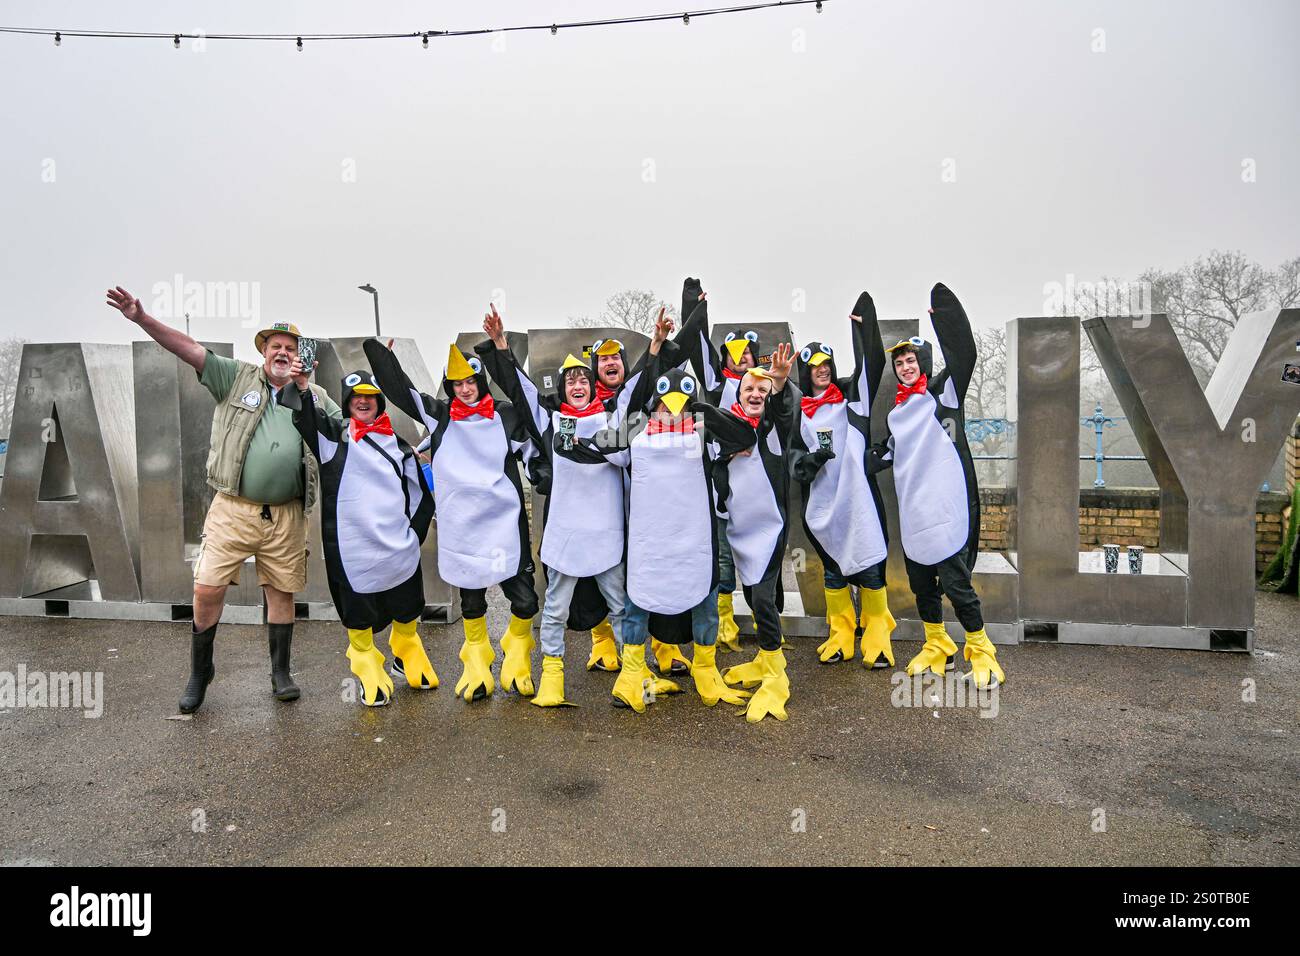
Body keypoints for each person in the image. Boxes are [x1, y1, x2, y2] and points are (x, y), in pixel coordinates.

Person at [106, 286, 341, 714]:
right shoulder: (235, 378)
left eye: (290, 347)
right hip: (233, 507)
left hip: (287, 514)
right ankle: (200, 672)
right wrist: (142, 318)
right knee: (207, 586)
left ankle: (280, 673)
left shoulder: (316, 394)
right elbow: (190, 349)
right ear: (264, 352)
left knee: (281, 592)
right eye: (275, 346)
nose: (283, 352)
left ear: (301, 354)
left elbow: (345, 431)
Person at [557, 311, 754, 712]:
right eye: (666, 402)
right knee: (637, 603)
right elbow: (599, 443)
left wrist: (700, 408)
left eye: (680, 404)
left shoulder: (701, 431)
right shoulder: (637, 429)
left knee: (704, 598)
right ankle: (631, 675)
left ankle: (706, 670)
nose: (672, 410)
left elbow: (743, 434)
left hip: (693, 544)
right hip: (648, 544)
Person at [362, 338, 545, 702]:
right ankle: (476, 657)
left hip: (504, 523)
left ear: (481, 382)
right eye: (457, 384)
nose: (465, 389)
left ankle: (518, 643)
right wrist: (382, 356)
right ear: (450, 387)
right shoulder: (440, 415)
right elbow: (403, 392)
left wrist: (542, 472)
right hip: (463, 527)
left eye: (471, 382)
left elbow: (532, 447)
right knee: (472, 601)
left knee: (524, 600)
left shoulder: (505, 414)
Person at [477, 305, 642, 707]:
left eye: (583, 378)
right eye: (570, 381)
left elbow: (641, 390)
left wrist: (654, 347)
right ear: (563, 389)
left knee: (620, 607)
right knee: (553, 611)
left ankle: (633, 674)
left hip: (605, 536)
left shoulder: (611, 417)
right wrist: (501, 345)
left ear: (593, 384)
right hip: (565, 535)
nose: (577, 384)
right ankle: (552, 675)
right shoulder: (550, 421)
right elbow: (519, 389)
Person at [280, 369, 435, 706]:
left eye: (370, 395)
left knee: (408, 604)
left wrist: (412, 535)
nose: (363, 401)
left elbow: (419, 494)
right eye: (356, 396)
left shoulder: (399, 445)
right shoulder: (332, 437)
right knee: (358, 610)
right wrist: (303, 386)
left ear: (380, 401)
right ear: (347, 402)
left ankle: (406, 647)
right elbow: (305, 415)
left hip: (397, 548)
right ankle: (365, 658)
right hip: (354, 551)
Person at [879, 283, 1004, 689]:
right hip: (914, 512)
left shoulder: (943, 394)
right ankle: (937, 642)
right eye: (900, 363)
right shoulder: (898, 410)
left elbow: (964, 354)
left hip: (945, 510)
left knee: (956, 583)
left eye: (912, 360)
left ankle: (982, 648)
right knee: (921, 585)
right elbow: (891, 452)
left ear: (925, 362)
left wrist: (943, 315)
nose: (906, 367)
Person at [789, 292, 895, 669]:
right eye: (814, 364)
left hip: (858, 502)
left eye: (826, 363)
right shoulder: (798, 412)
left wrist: (861, 323)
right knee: (833, 570)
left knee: (868, 567)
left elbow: (874, 363)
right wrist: (809, 462)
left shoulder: (854, 400)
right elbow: (792, 459)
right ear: (805, 371)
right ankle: (841, 634)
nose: (822, 368)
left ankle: (878, 634)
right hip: (822, 503)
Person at [712, 346, 798, 721]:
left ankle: (777, 678)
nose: (755, 394)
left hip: (768, 531)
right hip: (739, 532)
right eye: (749, 388)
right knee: (750, 595)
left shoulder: (772, 429)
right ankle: (765, 658)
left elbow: (781, 407)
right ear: (738, 393)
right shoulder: (726, 431)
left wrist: (777, 380)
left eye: (762, 391)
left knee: (763, 600)